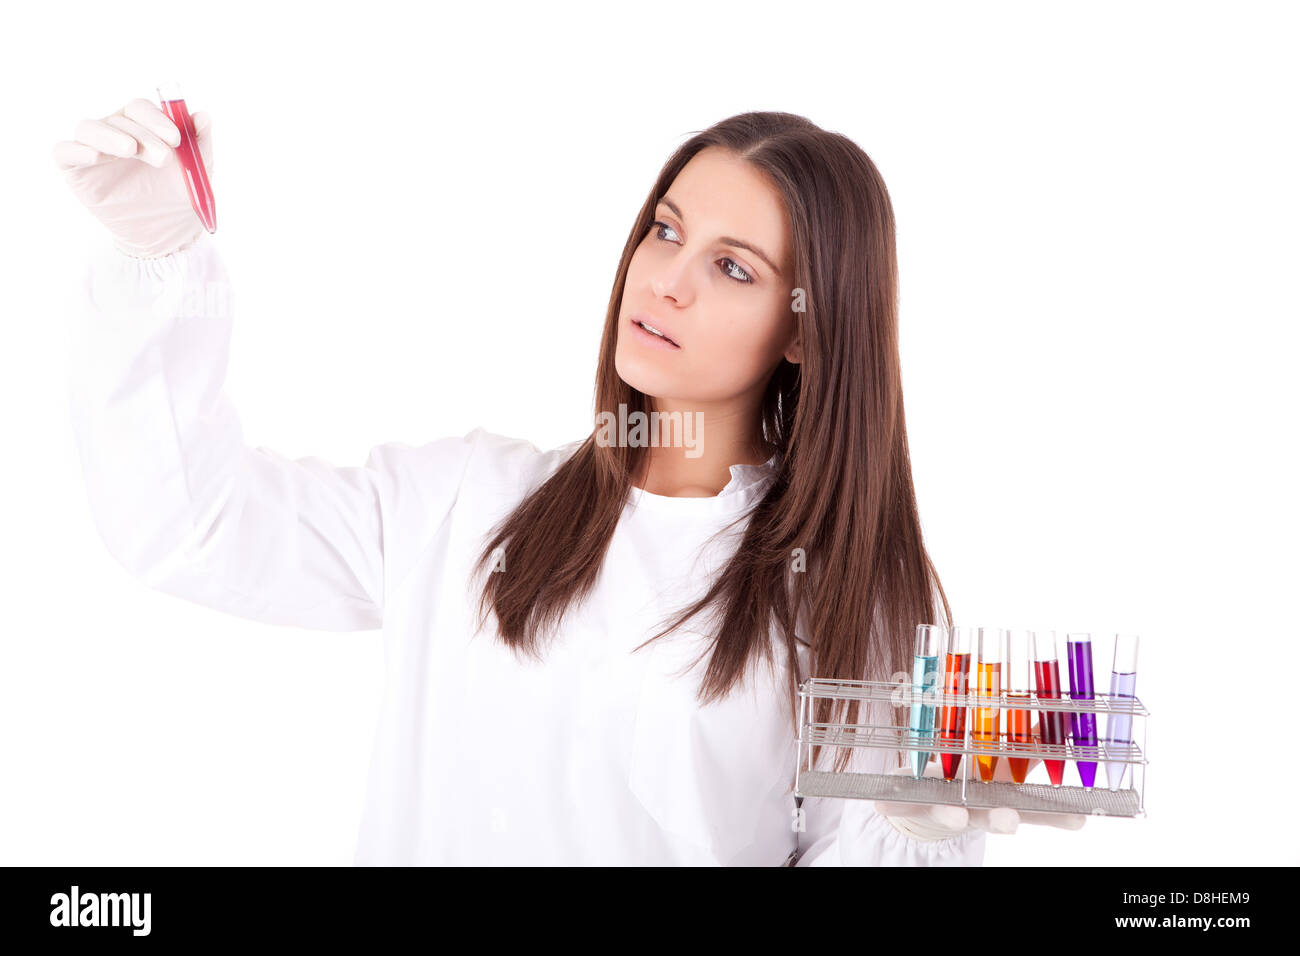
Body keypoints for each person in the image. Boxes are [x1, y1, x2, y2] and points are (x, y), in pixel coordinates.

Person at [53, 99, 1085, 865]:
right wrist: (160, 259)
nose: (666, 277)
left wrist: (923, 830)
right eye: (666, 229)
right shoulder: (465, 504)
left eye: (733, 267)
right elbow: (188, 525)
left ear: (807, 327)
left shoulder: (843, 595)